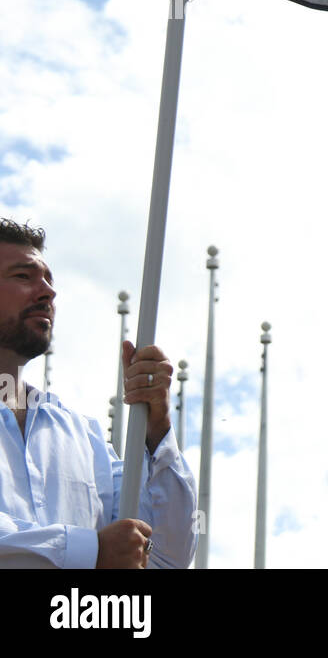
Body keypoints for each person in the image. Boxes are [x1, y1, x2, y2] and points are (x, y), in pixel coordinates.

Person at [0, 219, 197, 568]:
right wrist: (88, 550)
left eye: (48, 279)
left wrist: (156, 429)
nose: (48, 291)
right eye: (23, 276)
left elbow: (167, 557)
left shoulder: (82, 436)